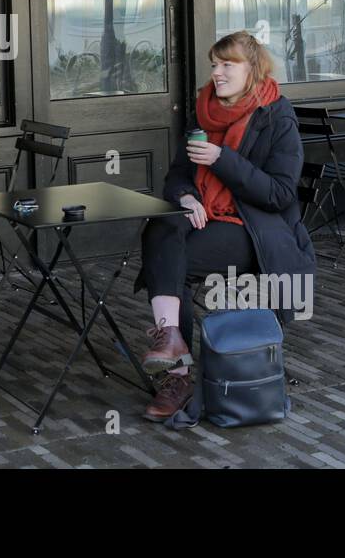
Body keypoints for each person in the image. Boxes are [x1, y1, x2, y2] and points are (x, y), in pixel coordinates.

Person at [134, 30, 315, 422]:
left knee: (168, 263)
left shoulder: (276, 116)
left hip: (256, 231)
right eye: (214, 64)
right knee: (162, 226)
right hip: (205, 217)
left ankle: (175, 374)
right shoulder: (204, 111)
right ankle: (174, 356)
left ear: (252, 68)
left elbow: (280, 194)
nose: (217, 72)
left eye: (227, 64)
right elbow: (178, 175)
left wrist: (221, 160)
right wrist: (185, 196)